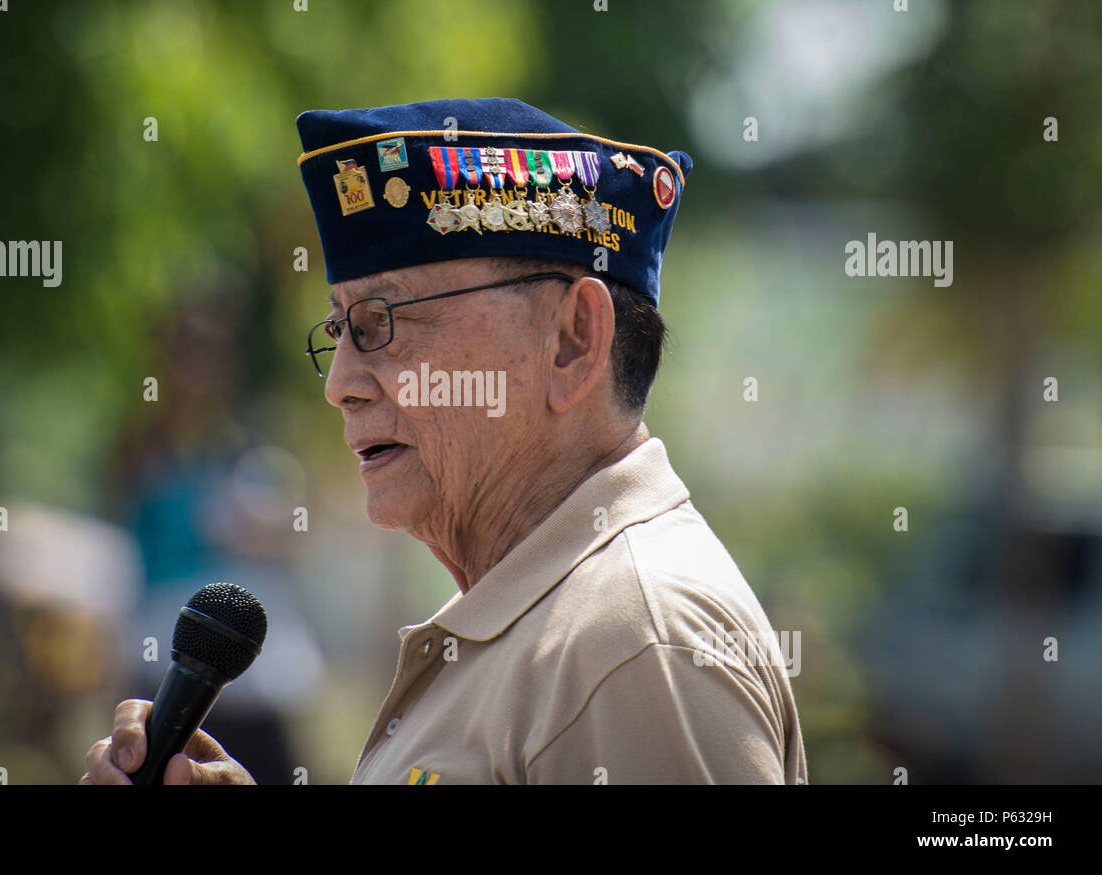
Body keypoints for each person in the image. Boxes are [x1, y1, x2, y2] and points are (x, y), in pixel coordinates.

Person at [81, 97, 807, 785]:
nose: (341, 384)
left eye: (383, 322)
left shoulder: (636, 646)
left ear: (572, 341)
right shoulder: (559, 624)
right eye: (340, 330)